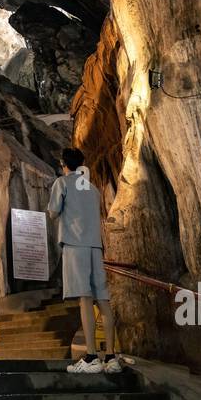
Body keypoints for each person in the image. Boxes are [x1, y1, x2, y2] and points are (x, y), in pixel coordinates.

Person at [47, 148, 121, 373]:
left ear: (64, 164)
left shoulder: (62, 183)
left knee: (85, 299)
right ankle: (111, 356)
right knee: (103, 300)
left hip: (75, 245)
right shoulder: (93, 188)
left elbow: (53, 211)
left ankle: (91, 357)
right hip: (95, 247)